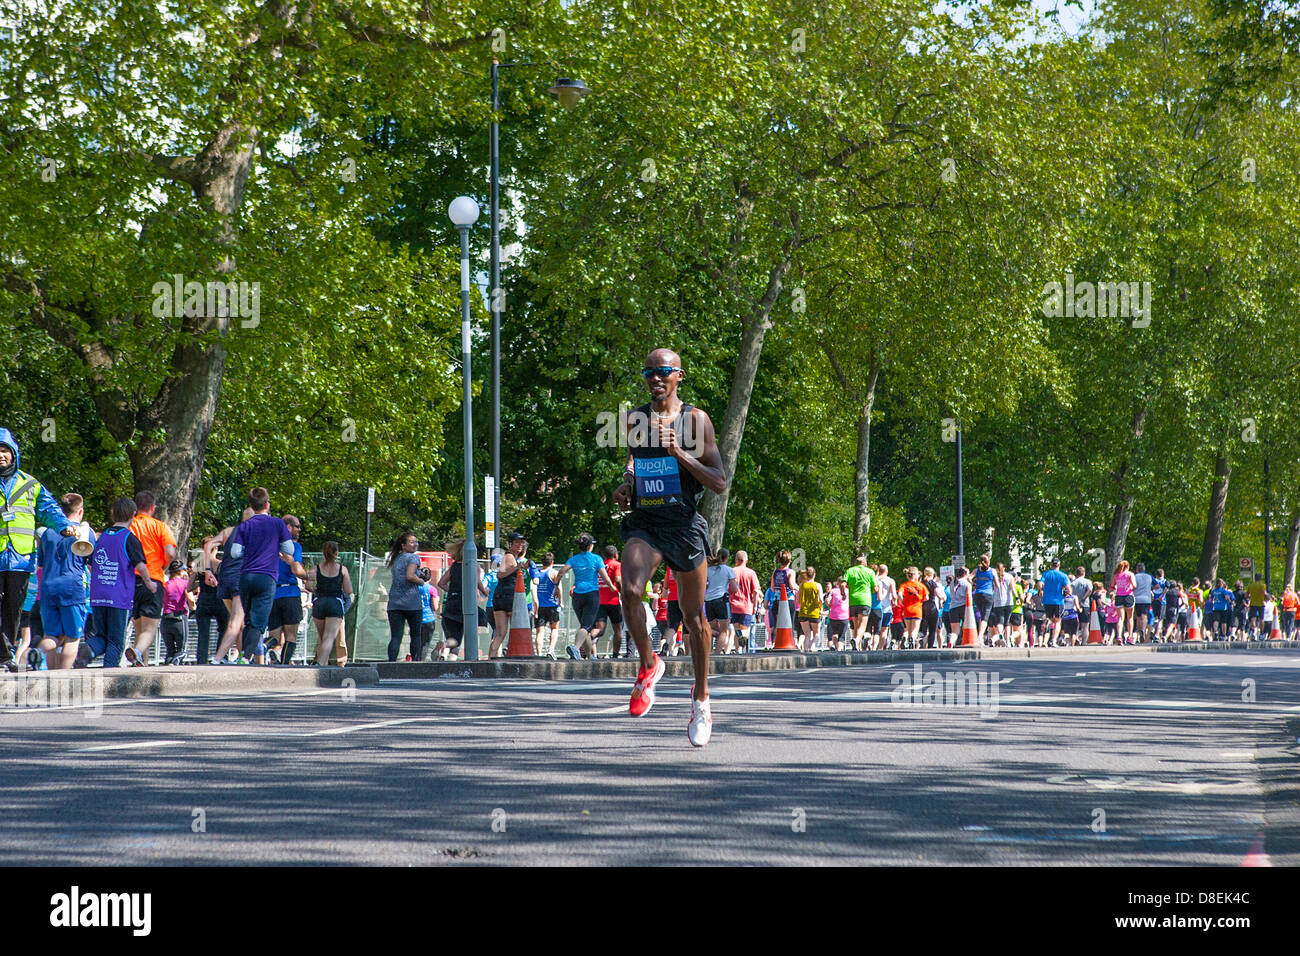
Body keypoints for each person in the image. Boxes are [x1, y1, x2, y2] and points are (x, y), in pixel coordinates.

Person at [613, 348, 728, 747]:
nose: (655, 378)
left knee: (695, 620)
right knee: (629, 589)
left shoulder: (695, 420)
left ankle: (701, 698)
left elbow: (719, 480)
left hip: (683, 524)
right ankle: (648, 664)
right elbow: (634, 458)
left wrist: (678, 452)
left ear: (679, 375)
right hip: (646, 523)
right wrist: (627, 483)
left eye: (663, 371)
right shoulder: (634, 419)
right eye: (649, 371)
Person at [0, 428, 75, 671]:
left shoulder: (29, 484)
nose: (1, 455)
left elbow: (49, 509)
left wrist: (64, 526)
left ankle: (4, 655)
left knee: (14, 609)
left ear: (13, 454)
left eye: (5, 451)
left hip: (21, 559)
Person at [216, 488, 302, 665]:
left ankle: (242, 655)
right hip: (267, 576)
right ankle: (246, 657)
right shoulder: (278, 524)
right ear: (267, 504)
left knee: (247, 618)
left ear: (251, 506)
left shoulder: (244, 526)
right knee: (259, 620)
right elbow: (289, 549)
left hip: (246, 576)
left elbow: (235, 552)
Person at [86, 497, 154, 667]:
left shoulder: (100, 538)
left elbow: (91, 566)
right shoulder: (129, 538)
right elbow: (141, 566)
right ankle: (109, 676)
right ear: (133, 515)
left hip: (98, 595)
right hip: (119, 597)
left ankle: (88, 650)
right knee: (116, 641)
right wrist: (150, 584)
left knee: (101, 636)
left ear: (112, 514)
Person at [33, 493, 93, 670]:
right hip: (72, 588)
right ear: (80, 511)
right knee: (72, 637)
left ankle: (38, 652)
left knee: (51, 634)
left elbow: (41, 564)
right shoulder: (85, 532)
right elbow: (90, 562)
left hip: (48, 587)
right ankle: (63, 678)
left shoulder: (48, 533)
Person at [124, 491, 178, 667]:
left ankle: (141, 665)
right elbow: (170, 551)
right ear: (153, 508)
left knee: (139, 627)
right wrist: (164, 565)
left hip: (131, 580)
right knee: (149, 629)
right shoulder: (160, 526)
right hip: (153, 578)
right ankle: (138, 653)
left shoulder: (129, 526)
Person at [204, 508, 252, 662]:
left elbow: (207, 546)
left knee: (240, 622)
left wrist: (207, 570)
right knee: (236, 621)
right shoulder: (254, 534)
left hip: (225, 578)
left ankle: (242, 657)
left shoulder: (229, 531)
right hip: (240, 578)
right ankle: (217, 659)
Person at [435, 538, 486, 661]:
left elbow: (441, 583)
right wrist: (484, 591)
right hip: (466, 604)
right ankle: (453, 657)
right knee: (461, 637)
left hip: (452, 603)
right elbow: (477, 582)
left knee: (454, 637)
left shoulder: (454, 566)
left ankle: (444, 648)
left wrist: (452, 592)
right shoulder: (474, 566)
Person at [266, 514, 305, 664]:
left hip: (273, 593)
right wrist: (307, 576)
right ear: (287, 527)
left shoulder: (269, 546)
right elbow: (297, 570)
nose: (299, 530)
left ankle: (264, 645)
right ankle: (284, 665)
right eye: (297, 526)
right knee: (291, 636)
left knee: (274, 636)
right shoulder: (294, 547)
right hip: (290, 593)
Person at [306, 541, 353, 665]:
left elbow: (308, 585)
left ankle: (322, 663)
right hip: (335, 603)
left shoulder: (316, 568)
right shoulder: (342, 569)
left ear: (323, 553)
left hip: (320, 602)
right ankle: (320, 666)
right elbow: (348, 590)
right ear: (336, 553)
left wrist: (316, 591)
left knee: (322, 639)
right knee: (328, 639)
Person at [384, 531, 426, 662]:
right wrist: (421, 581)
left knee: (396, 636)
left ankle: (390, 664)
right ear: (404, 545)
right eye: (412, 542)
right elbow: (410, 575)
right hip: (412, 602)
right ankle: (415, 663)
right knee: (415, 635)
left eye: (416, 542)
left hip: (395, 603)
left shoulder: (396, 558)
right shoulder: (413, 558)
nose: (415, 544)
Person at [592, 545, 624, 657]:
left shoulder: (599, 565)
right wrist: (621, 592)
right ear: (616, 555)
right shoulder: (616, 564)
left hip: (599, 601)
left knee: (600, 629)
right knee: (618, 630)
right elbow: (618, 579)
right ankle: (615, 654)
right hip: (613, 601)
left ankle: (587, 638)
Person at [705, 547, 736, 654]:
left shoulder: (708, 570)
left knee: (713, 630)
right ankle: (717, 654)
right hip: (721, 599)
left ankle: (708, 652)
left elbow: (705, 585)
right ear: (726, 558)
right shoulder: (729, 570)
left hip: (709, 600)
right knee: (724, 630)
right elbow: (735, 588)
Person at [729, 550, 760, 654]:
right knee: (745, 629)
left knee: (736, 628)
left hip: (733, 605)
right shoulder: (751, 573)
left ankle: (738, 650)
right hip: (747, 606)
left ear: (736, 560)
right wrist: (755, 606)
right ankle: (743, 643)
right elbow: (756, 591)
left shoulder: (731, 571)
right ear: (746, 560)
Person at [533, 552, 563, 659]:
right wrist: (561, 601)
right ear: (552, 562)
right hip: (552, 605)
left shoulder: (537, 574)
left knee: (540, 631)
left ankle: (539, 654)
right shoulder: (554, 573)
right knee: (554, 628)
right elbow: (559, 588)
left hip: (539, 606)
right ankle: (551, 649)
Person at [844, 554, 876, 652]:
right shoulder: (870, 572)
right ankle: (857, 640)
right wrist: (873, 591)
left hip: (853, 600)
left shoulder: (849, 571)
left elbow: (843, 584)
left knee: (856, 624)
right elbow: (875, 588)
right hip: (864, 600)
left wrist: (842, 593)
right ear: (865, 563)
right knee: (863, 624)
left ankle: (857, 646)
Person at [1039, 559, 1070, 646]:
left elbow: (1040, 584)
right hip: (1058, 601)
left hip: (1047, 600)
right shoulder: (1063, 575)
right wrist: (1065, 595)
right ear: (1059, 565)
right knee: (1057, 621)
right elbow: (1069, 589)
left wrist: (1041, 590)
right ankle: (1053, 640)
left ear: (1051, 565)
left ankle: (1046, 627)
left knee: (1049, 618)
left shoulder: (1046, 574)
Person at [899, 567, 927, 649]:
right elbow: (927, 598)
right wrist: (919, 597)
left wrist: (902, 602)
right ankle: (912, 639)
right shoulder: (920, 585)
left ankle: (905, 637)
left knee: (908, 628)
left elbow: (899, 594)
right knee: (915, 628)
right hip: (917, 609)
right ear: (915, 575)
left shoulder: (904, 585)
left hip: (907, 609)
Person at [796, 564, 822, 652]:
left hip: (803, 612)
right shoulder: (818, 585)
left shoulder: (801, 585)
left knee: (807, 634)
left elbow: (798, 599)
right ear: (814, 574)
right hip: (814, 612)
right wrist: (821, 608)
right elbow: (820, 599)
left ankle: (806, 650)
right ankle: (812, 647)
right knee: (816, 633)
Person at [825, 578, 850, 651]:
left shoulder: (832, 591)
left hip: (833, 616)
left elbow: (827, 600)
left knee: (835, 633)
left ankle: (835, 647)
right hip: (844, 616)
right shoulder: (848, 591)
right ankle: (839, 650)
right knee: (841, 637)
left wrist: (829, 606)